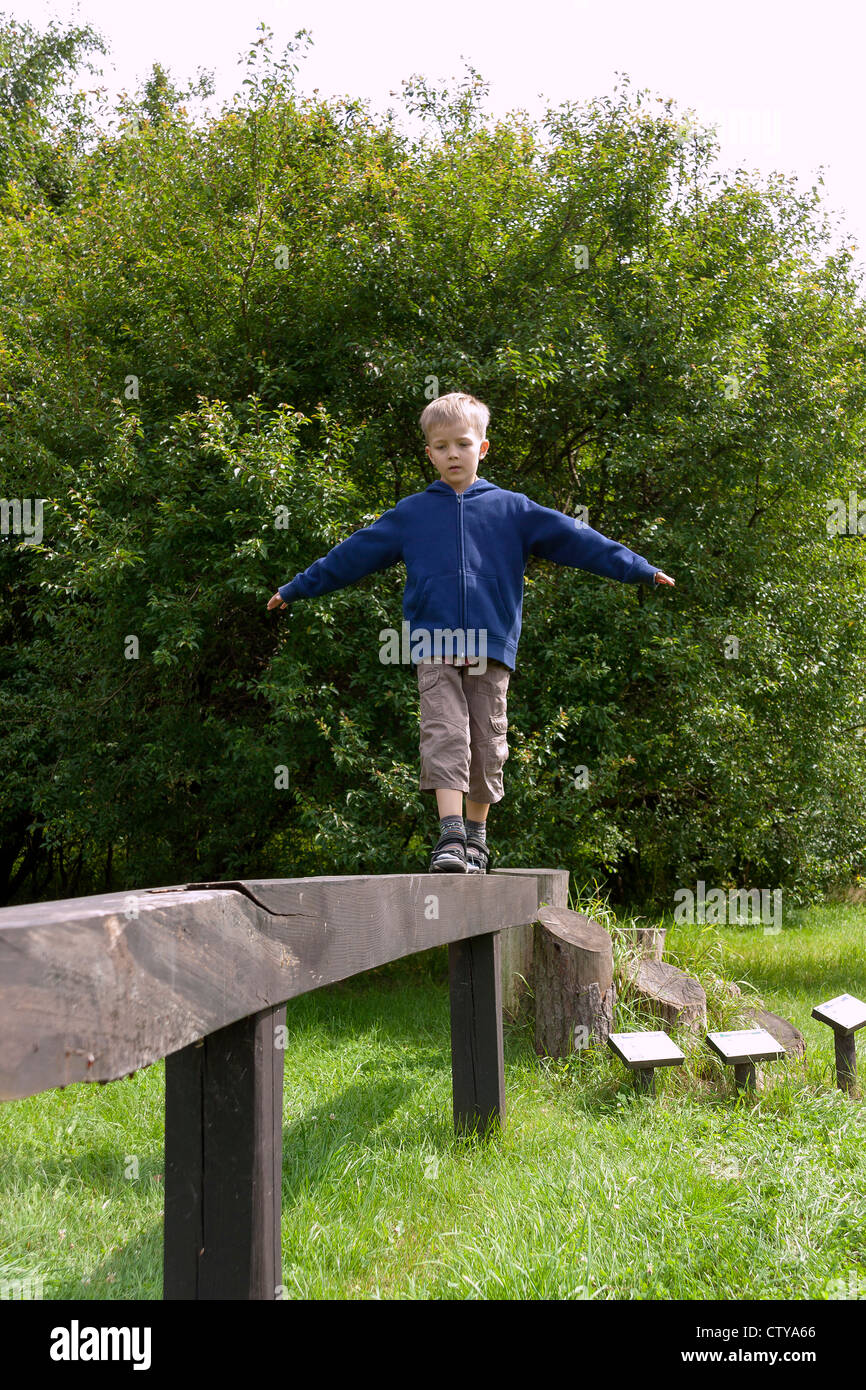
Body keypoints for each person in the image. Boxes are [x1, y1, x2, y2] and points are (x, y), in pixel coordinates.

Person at [268, 392, 675, 874]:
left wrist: (639, 569)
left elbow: (579, 540)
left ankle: (477, 838)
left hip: (491, 646)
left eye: (463, 444)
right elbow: (351, 555)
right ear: (430, 454)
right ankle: (450, 836)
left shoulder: (513, 510)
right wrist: (298, 587)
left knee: (486, 743)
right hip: (434, 644)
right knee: (444, 735)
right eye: (441, 447)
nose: (453, 454)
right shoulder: (412, 514)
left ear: (482, 448)